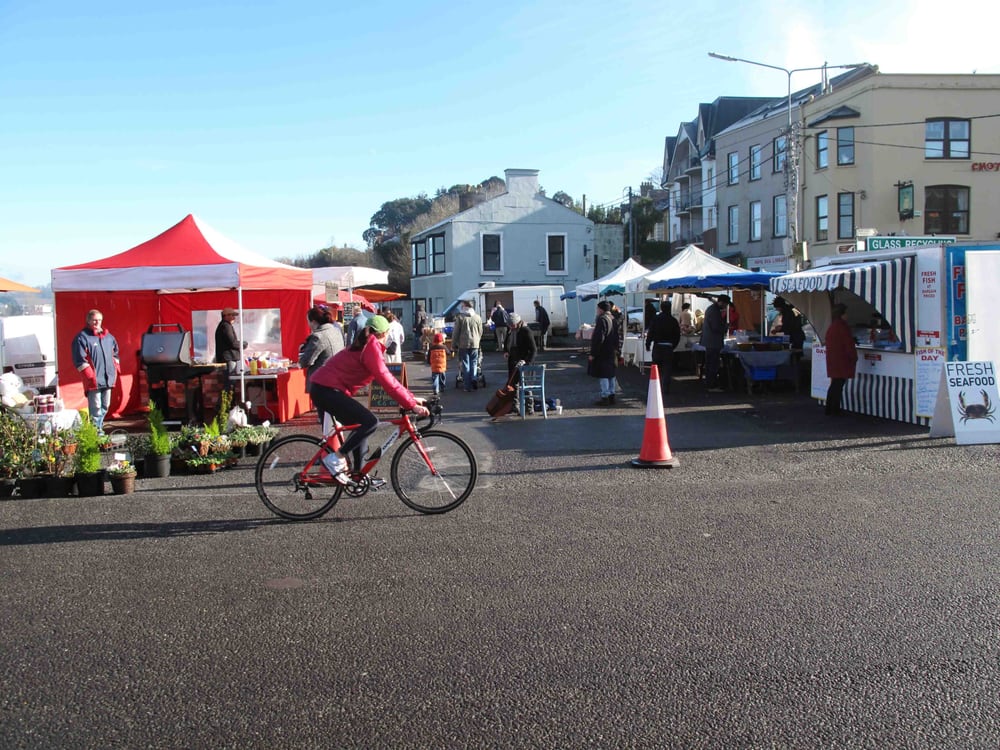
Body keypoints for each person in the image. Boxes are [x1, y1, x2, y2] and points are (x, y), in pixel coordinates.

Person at [308, 315, 429, 484]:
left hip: (323, 387)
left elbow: (389, 380)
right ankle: (336, 458)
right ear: (385, 333)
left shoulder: (367, 344)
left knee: (361, 425)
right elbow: (385, 378)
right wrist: (411, 405)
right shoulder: (371, 347)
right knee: (370, 422)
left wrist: (411, 398)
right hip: (327, 389)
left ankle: (359, 475)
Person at [72, 308, 119, 434]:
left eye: (99, 320)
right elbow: (79, 360)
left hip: (108, 378)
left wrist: (115, 369)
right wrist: (90, 376)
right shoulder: (82, 338)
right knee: (96, 407)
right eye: (94, 320)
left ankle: (98, 428)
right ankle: (95, 432)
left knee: (105, 406)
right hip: (94, 381)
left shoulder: (109, 337)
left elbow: (116, 354)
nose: (97, 323)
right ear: (88, 321)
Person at [298, 304, 345, 425]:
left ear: (313, 322)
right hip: (338, 378)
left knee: (326, 422)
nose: (308, 324)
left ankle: (330, 443)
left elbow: (306, 361)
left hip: (322, 382)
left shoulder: (318, 336)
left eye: (308, 321)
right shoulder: (335, 331)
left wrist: (302, 351)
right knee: (335, 420)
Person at [824, 303, 858, 416]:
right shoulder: (842, 326)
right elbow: (848, 344)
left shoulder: (832, 326)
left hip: (834, 359)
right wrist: (854, 357)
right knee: (838, 385)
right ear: (842, 314)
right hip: (842, 360)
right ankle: (834, 408)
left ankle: (830, 407)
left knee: (835, 384)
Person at [645, 299, 681, 403]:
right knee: (667, 368)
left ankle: (655, 387)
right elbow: (677, 335)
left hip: (658, 346)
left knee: (656, 368)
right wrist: (673, 345)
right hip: (668, 346)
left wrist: (647, 344)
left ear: (661, 308)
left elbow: (651, 332)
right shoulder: (673, 320)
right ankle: (666, 387)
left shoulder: (656, 319)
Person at [588, 300, 619, 406]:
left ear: (601, 309)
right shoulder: (613, 318)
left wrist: (593, 353)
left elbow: (598, 338)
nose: (596, 310)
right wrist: (616, 349)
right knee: (611, 374)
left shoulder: (602, 319)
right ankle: (612, 394)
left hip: (603, 351)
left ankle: (604, 396)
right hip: (612, 350)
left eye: (597, 308)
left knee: (604, 374)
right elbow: (617, 336)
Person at [452, 299, 483, 391]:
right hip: (475, 343)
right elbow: (480, 331)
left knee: (465, 364)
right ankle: (474, 378)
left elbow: (456, 332)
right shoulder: (477, 317)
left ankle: (467, 386)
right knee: (474, 362)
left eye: (462, 305)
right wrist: (478, 339)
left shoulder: (460, 318)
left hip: (463, 344)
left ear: (465, 306)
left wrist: (453, 344)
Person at [700, 294, 728, 391]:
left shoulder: (711, 309)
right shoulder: (715, 311)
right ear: (722, 302)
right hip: (713, 341)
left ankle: (709, 383)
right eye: (725, 304)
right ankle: (711, 385)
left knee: (710, 363)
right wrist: (725, 326)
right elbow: (716, 327)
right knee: (713, 363)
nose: (725, 307)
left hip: (709, 341)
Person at [504, 312, 537, 384]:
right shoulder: (510, 330)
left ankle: (527, 393)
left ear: (518, 322)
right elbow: (507, 341)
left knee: (524, 383)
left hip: (523, 359)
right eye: (509, 325)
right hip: (512, 359)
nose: (511, 327)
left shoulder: (526, 331)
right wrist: (506, 351)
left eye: (512, 325)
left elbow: (533, 349)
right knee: (512, 383)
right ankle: (515, 394)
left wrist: (527, 362)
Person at [214, 307, 243, 372]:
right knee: (230, 379)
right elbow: (232, 342)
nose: (234, 318)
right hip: (229, 357)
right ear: (226, 316)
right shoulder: (225, 326)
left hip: (228, 357)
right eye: (232, 315)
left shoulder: (224, 325)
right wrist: (242, 344)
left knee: (230, 378)